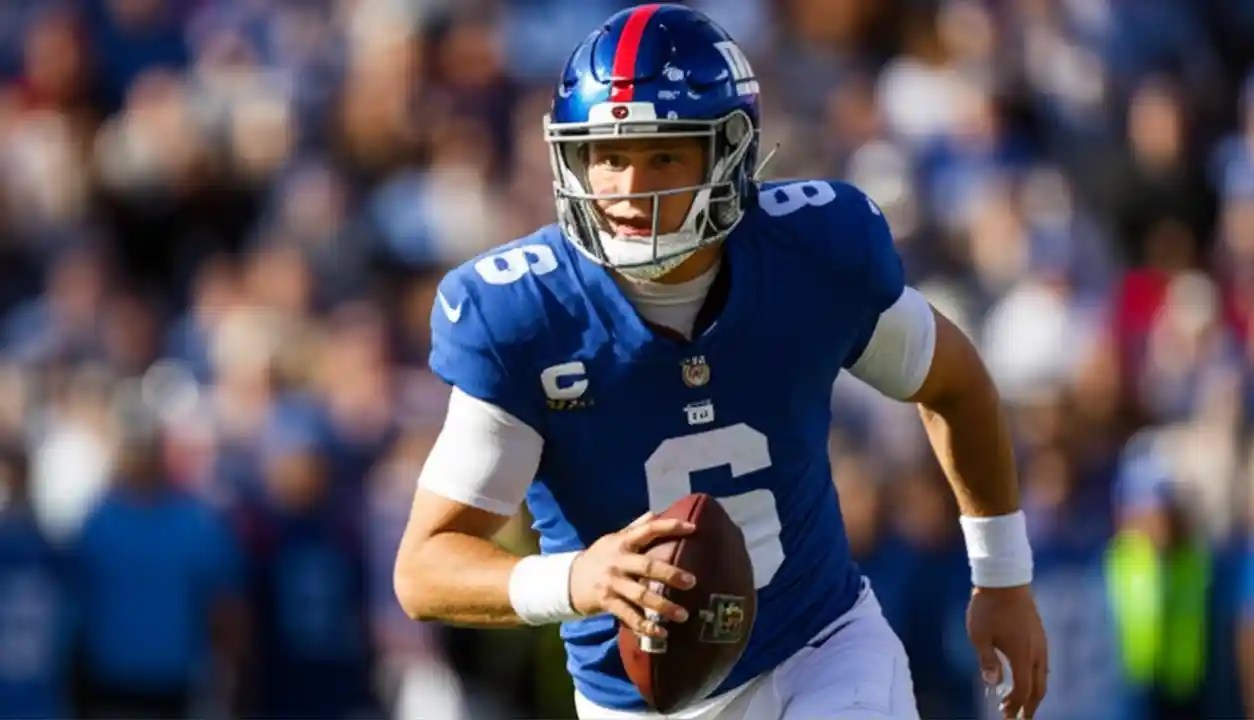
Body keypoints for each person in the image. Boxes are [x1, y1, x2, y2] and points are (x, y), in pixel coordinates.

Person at [394, 4, 1049, 719]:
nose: (626, 188)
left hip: (820, 647)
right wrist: (576, 579)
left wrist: (1003, 577)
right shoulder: (527, 316)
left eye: (662, 155)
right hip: (637, 701)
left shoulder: (812, 255)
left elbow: (956, 383)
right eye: (608, 155)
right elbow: (425, 567)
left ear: (729, 152)